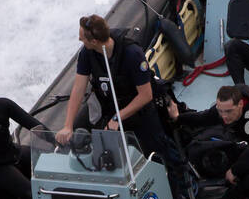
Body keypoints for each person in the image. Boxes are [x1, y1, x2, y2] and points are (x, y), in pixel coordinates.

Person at [56, 15, 171, 162]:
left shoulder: (132, 54)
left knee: (157, 157)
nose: (80, 40)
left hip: (140, 114)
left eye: (82, 38)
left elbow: (146, 95)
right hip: (112, 111)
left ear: (94, 41)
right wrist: (68, 125)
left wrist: (118, 117)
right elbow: (78, 89)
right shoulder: (87, 53)